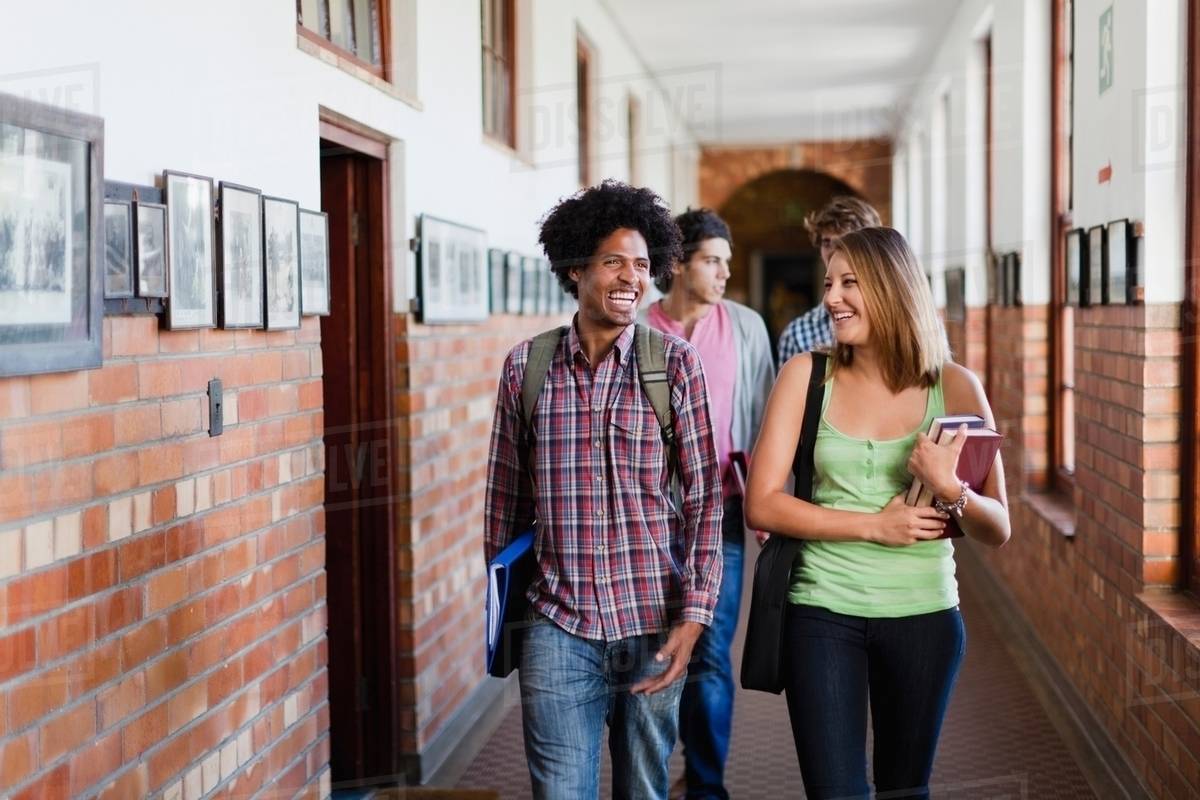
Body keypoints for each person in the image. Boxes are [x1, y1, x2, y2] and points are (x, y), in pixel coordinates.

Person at [744, 227, 1011, 800]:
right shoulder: (805, 375)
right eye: (829, 284)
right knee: (835, 791)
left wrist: (950, 488)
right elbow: (762, 501)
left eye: (849, 283)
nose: (831, 298)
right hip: (821, 609)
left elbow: (998, 527)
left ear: (893, 289)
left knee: (903, 789)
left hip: (925, 614)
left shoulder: (956, 386)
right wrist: (873, 525)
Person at [484, 180, 724, 800]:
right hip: (557, 625)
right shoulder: (526, 368)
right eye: (614, 261)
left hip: (653, 624)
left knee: (644, 790)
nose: (631, 278)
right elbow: (505, 507)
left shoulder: (672, 365)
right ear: (575, 269)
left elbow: (704, 501)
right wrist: (509, 617)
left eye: (642, 265)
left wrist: (695, 616)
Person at [638, 208, 774, 800]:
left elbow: (769, 419)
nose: (724, 273)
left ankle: (706, 788)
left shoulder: (745, 328)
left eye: (727, 261)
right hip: (646, 525)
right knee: (650, 650)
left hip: (721, 517)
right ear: (678, 264)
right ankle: (646, 775)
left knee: (713, 654)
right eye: (712, 261)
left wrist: (768, 498)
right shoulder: (636, 331)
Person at [776, 196, 881, 364]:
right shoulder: (798, 334)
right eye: (826, 243)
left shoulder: (906, 321)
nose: (834, 251)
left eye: (845, 241)